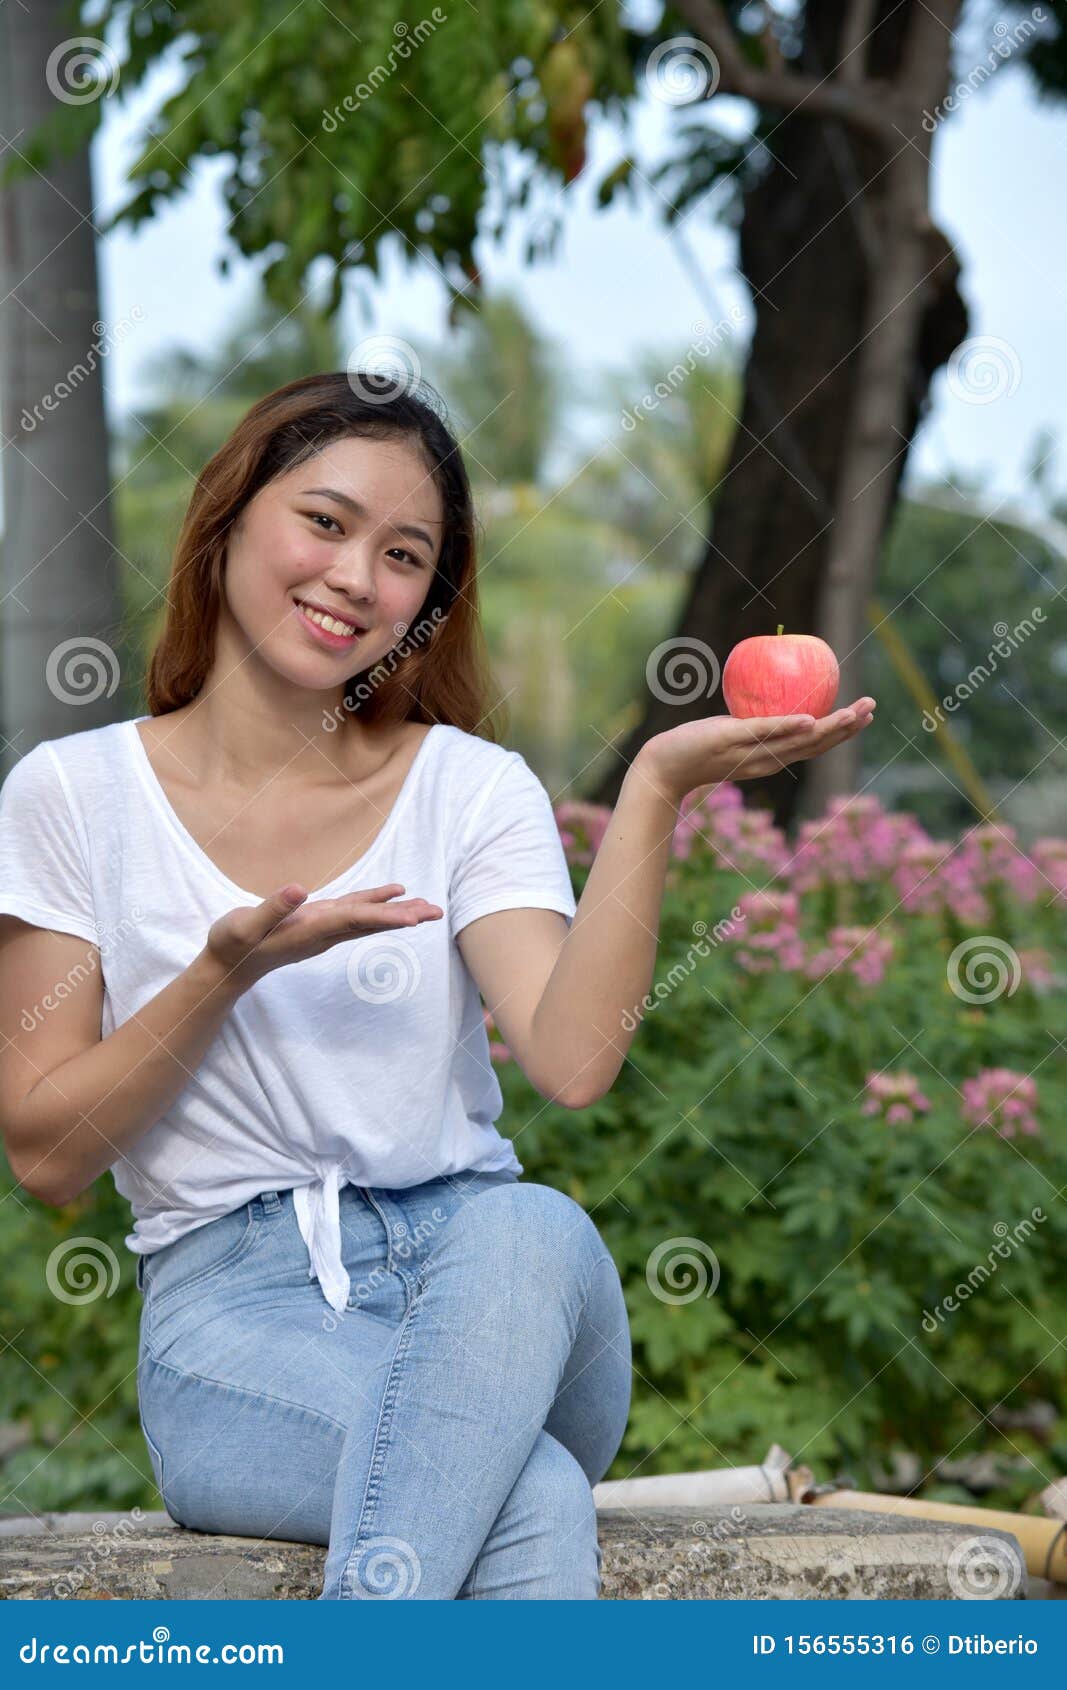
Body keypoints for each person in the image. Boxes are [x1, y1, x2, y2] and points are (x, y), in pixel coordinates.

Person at [0, 369, 875, 1599]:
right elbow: (47, 1153)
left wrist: (655, 792)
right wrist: (221, 974)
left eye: (404, 555)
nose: (355, 577)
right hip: (231, 1325)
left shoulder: (469, 787)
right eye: (324, 521)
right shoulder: (71, 795)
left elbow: (570, 1063)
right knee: (525, 1498)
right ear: (227, 521)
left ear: (424, 602)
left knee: (530, 1220)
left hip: (494, 1293)